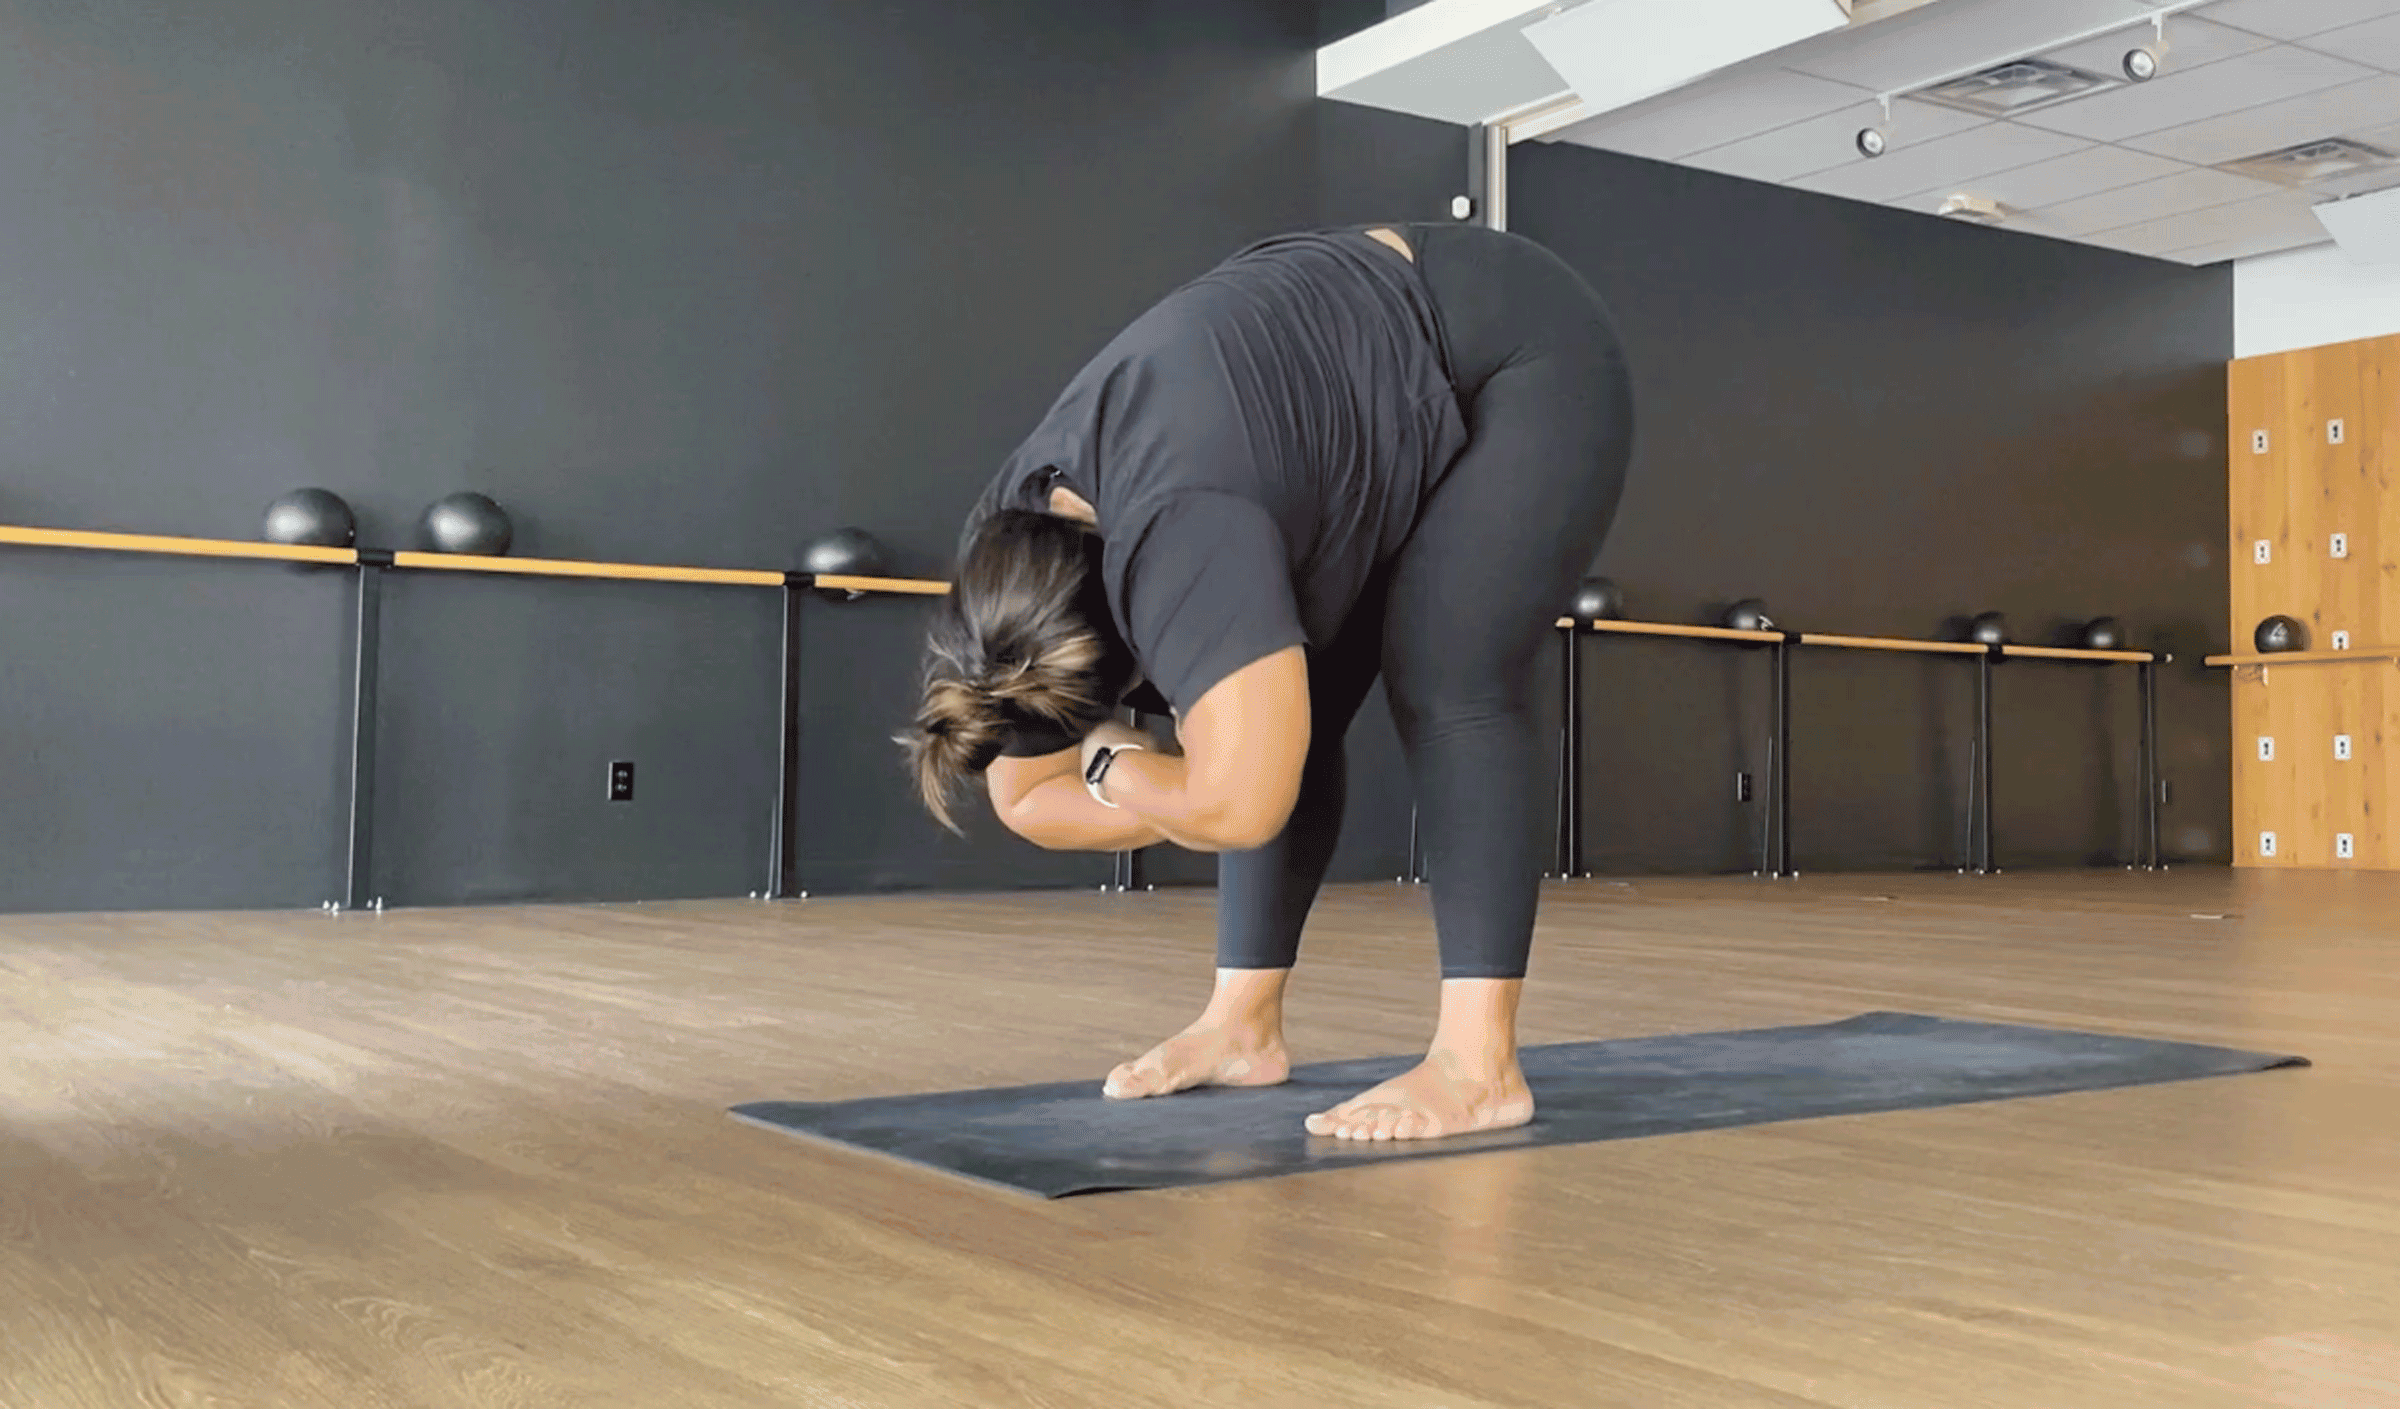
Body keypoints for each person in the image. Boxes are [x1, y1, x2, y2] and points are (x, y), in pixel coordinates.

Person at [901, 221, 1633, 1143]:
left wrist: (1121, 767)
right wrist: (1159, 777)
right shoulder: (1013, 558)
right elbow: (1024, 800)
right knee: (1291, 707)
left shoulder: (1180, 538)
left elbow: (1242, 806)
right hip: (1336, 392)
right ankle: (1241, 1025)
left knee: (1451, 671)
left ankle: (1479, 1067)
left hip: (1512, 346)